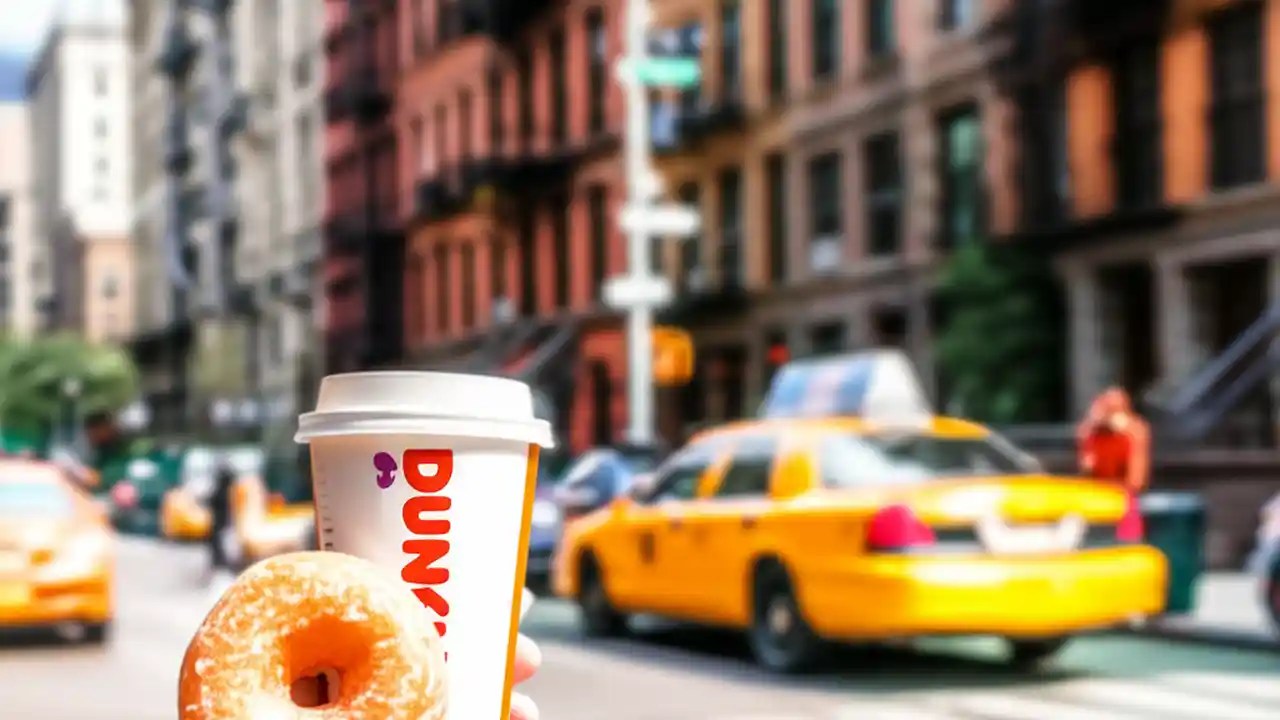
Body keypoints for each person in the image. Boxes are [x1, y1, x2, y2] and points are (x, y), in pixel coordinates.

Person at [1076, 387, 1151, 495]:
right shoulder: (1091, 432)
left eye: (1115, 409)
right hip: (1096, 494)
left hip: (1123, 495)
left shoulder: (1136, 431)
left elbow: (1136, 481)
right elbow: (1086, 470)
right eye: (1107, 408)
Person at [205, 464, 238, 586]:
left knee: (219, 548)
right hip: (223, 525)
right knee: (219, 548)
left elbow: (211, 501)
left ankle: (221, 567)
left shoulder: (222, 492)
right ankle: (220, 566)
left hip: (220, 525)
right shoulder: (229, 492)